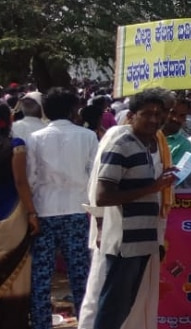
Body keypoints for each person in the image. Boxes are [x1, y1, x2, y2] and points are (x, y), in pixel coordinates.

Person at [92, 89, 177, 329]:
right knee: (113, 307)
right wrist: (154, 186)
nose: (153, 119)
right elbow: (103, 196)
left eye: (158, 114)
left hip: (141, 241)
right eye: (147, 114)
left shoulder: (148, 145)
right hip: (124, 243)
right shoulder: (121, 144)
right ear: (131, 116)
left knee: (124, 305)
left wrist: (160, 183)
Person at [20, 88, 98, 329]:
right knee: (80, 273)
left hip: (44, 211)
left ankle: (41, 323)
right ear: (73, 110)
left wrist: (31, 211)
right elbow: (94, 176)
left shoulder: (35, 138)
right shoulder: (87, 136)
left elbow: (30, 177)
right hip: (77, 209)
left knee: (42, 274)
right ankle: (87, 322)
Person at [1, 103, 30, 326]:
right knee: (16, 279)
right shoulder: (15, 146)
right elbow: (21, 182)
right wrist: (33, 213)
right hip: (13, 218)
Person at [163, 97, 191, 164]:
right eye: (173, 113)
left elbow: (176, 173)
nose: (176, 119)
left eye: (182, 115)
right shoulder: (150, 134)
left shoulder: (185, 145)